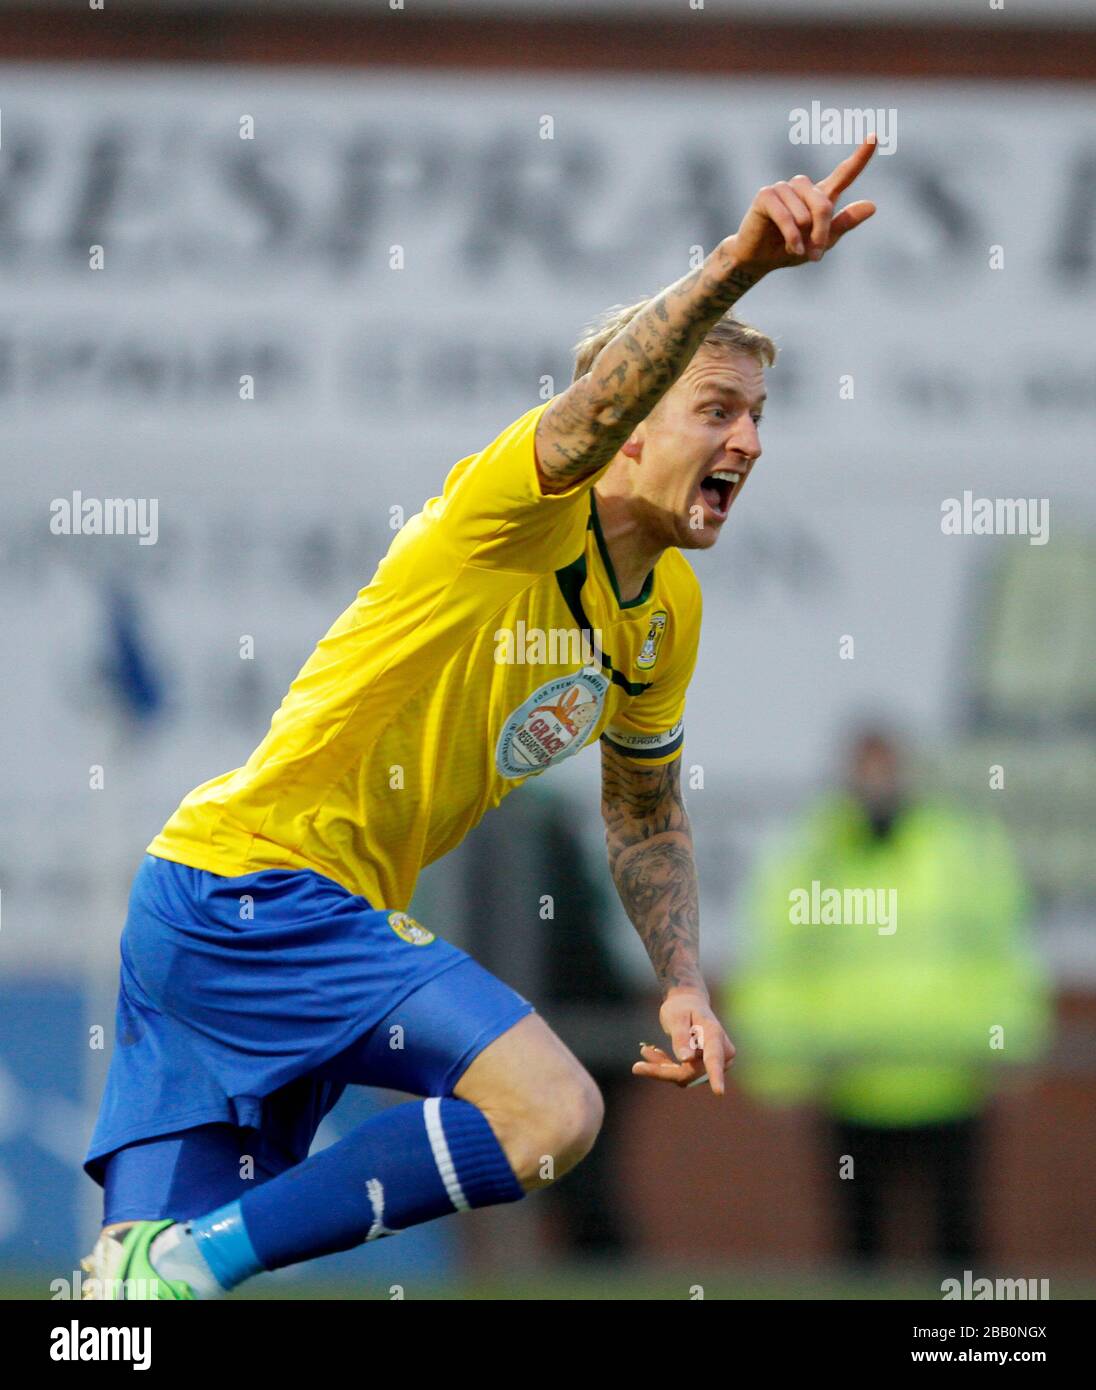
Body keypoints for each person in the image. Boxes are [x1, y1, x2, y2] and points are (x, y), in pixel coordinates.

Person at [79, 140, 879, 1299]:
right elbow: (589, 405)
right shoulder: (517, 511)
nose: (748, 441)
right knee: (549, 1107)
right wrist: (740, 262)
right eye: (716, 409)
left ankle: (164, 1269)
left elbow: (643, 804)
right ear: (632, 427)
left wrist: (684, 979)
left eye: (758, 414)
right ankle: (190, 1261)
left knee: (120, 1311)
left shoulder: (664, 610)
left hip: (232, 909)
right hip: (254, 888)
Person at [730, 726, 1052, 1268]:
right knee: (860, 1244)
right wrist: (782, 1070)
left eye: (886, 767)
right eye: (866, 767)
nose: (877, 782)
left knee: (960, 1240)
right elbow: (776, 965)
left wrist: (1008, 1048)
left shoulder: (963, 850)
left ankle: (972, 1355)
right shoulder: (812, 855)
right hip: (851, 1081)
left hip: (950, 1078)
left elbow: (1006, 956)